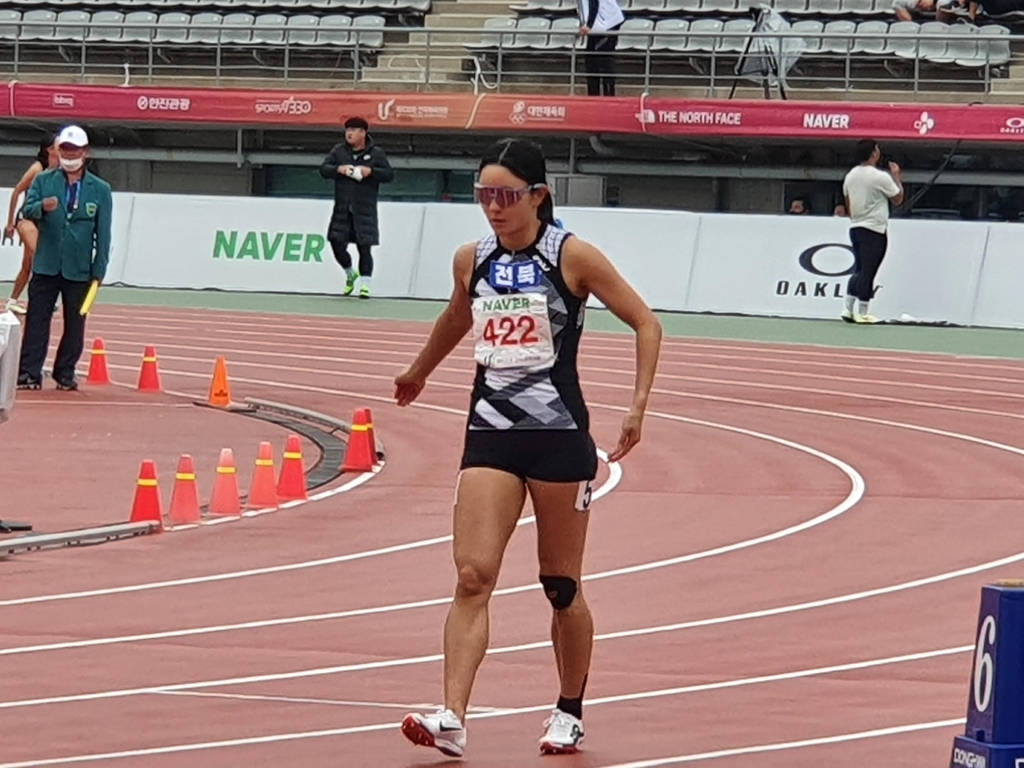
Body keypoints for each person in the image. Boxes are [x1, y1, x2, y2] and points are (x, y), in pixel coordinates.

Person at [393, 138, 662, 758]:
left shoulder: (573, 257)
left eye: (506, 195)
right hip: (489, 435)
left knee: (560, 586)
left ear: (539, 195)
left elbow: (647, 322)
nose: (493, 207)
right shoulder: (473, 259)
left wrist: (638, 405)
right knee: (471, 575)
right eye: (484, 194)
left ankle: (569, 709)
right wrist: (419, 371)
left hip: (559, 439)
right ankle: (452, 716)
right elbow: (457, 317)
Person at [17, 125, 112, 391]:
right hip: (47, 264)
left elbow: (103, 232)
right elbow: (26, 210)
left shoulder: (100, 189)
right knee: (37, 320)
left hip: (79, 268)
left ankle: (65, 372)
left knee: (75, 323)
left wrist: (99, 268)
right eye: (65, 149)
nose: (70, 154)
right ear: (58, 151)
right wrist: (41, 207)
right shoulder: (44, 180)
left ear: (85, 152)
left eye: (75, 149)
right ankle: (29, 373)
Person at [318, 117, 394, 299]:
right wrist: (339, 169)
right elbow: (324, 169)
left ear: (363, 133)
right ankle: (350, 273)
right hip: (342, 208)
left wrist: (371, 172)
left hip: (365, 209)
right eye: (347, 130)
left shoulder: (376, 153)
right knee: (336, 242)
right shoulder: (339, 151)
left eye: (354, 130)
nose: (350, 134)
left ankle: (365, 285)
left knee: (364, 247)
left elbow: (389, 174)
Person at [841, 139, 904, 325]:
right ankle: (863, 310)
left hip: (856, 226)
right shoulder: (879, 176)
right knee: (869, 270)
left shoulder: (850, 175)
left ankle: (848, 308)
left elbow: (848, 203)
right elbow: (898, 198)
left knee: (859, 269)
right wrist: (896, 176)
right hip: (874, 228)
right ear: (873, 153)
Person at [4, 135, 59, 314]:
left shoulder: (59, 171)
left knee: (28, 263)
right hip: (26, 218)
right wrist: (10, 222)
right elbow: (17, 191)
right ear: (49, 149)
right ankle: (42, 299)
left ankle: (12, 300)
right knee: (39, 255)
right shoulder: (37, 168)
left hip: (42, 220)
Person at [577, 0, 624, 97]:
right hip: (597, 23)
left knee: (604, 60)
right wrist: (583, 25)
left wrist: (589, 25)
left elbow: (593, 3)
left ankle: (609, 95)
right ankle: (593, 94)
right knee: (591, 61)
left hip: (607, 23)